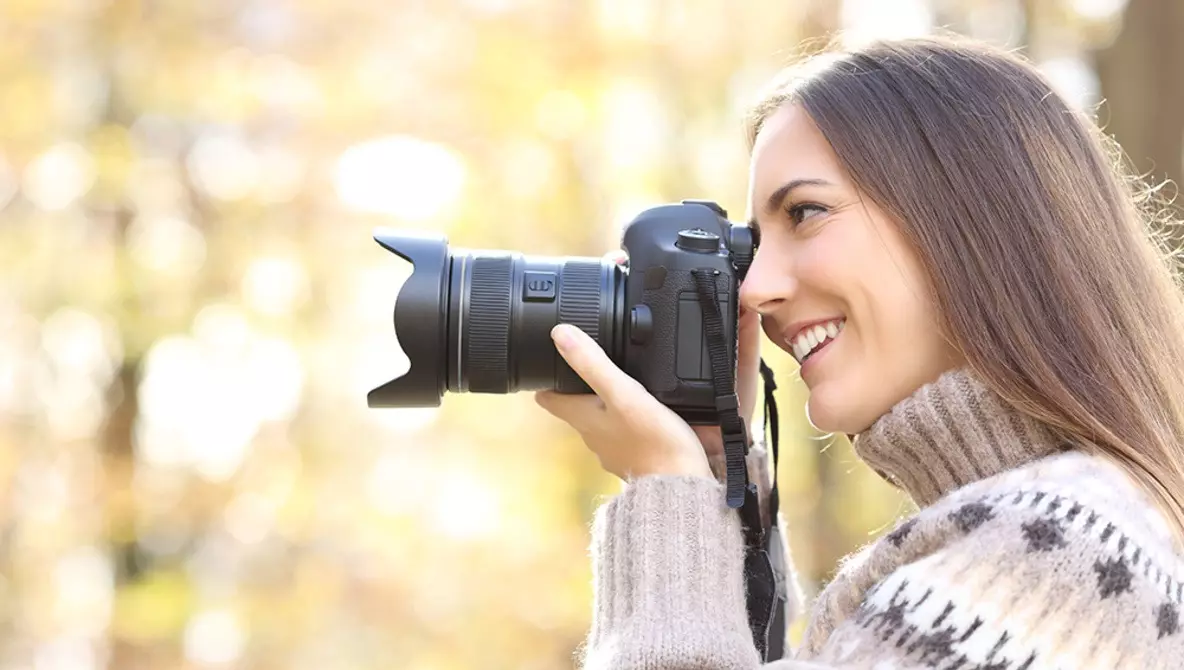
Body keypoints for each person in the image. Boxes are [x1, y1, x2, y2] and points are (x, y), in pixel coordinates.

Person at [534, 34, 1184, 669]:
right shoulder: (1040, 536)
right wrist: (711, 470)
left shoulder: (1060, 547)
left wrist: (667, 495)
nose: (755, 288)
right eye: (753, 245)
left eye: (807, 213)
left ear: (967, 218)